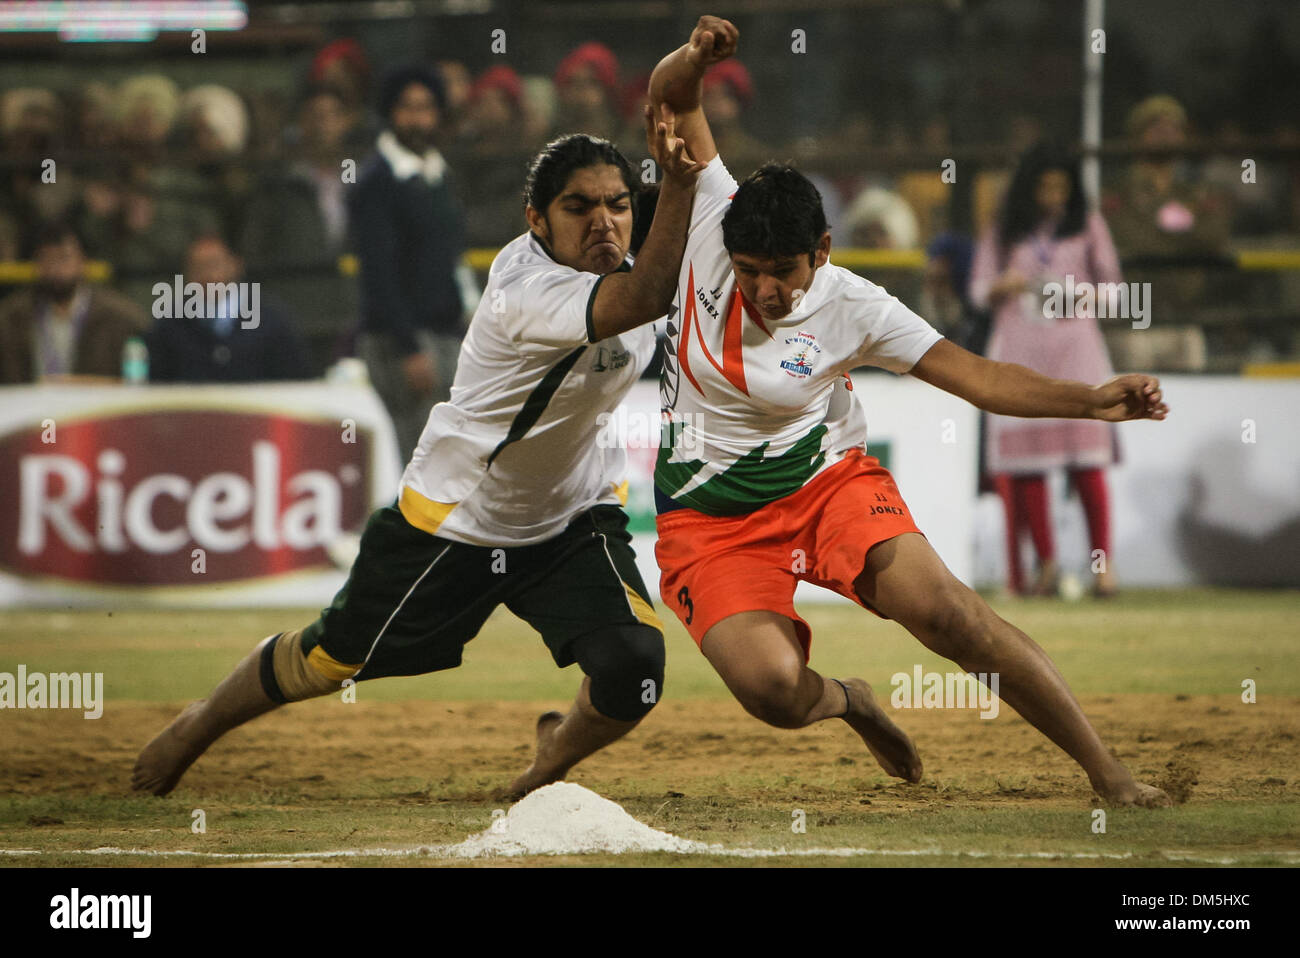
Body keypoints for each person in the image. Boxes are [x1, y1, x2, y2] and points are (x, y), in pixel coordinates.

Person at [649, 16, 1171, 808]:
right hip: (707, 521)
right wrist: (693, 58)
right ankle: (850, 699)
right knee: (773, 692)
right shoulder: (709, 215)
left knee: (952, 616)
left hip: (826, 488)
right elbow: (670, 95)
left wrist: (1090, 400)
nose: (763, 289)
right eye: (749, 271)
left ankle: (1110, 775)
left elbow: (979, 377)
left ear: (822, 250)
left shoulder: (855, 306)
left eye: (783, 271)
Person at [132, 113, 707, 799]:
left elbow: (687, 260)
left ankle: (540, 772)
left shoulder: (641, 263)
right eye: (577, 207)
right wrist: (676, 178)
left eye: (617, 204)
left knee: (634, 667)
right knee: (328, 659)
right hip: (457, 516)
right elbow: (642, 297)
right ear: (536, 219)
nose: (603, 222)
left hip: (571, 513)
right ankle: (197, 726)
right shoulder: (526, 288)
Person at [969, 144, 1125, 598]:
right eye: (1044, 187)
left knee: (1087, 467)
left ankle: (1103, 568)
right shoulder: (1004, 230)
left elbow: (1116, 292)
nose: (1053, 195)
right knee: (1030, 466)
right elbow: (978, 292)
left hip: (1078, 354)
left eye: (1061, 186)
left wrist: (1082, 295)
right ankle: (1047, 568)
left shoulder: (1088, 225)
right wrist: (1006, 284)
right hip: (1021, 351)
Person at [351, 66, 467, 465]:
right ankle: (419, 531)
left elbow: (450, 257)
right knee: (423, 460)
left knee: (445, 459)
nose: (418, 119)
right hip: (402, 342)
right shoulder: (377, 183)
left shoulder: (437, 174)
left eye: (426, 108)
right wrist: (408, 347)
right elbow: (379, 274)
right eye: (407, 108)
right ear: (389, 113)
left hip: (444, 334)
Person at [147, 233, 313, 382]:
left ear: (235, 265)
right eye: (197, 267)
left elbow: (296, 381)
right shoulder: (169, 324)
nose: (207, 276)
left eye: (213, 265)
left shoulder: (271, 319)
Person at [0, 221, 148, 384]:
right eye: (46, 258)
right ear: (36, 264)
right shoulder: (10, 318)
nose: (55, 268)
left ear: (82, 261)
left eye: (64, 258)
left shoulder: (120, 318)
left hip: (96, 406)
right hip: (29, 407)